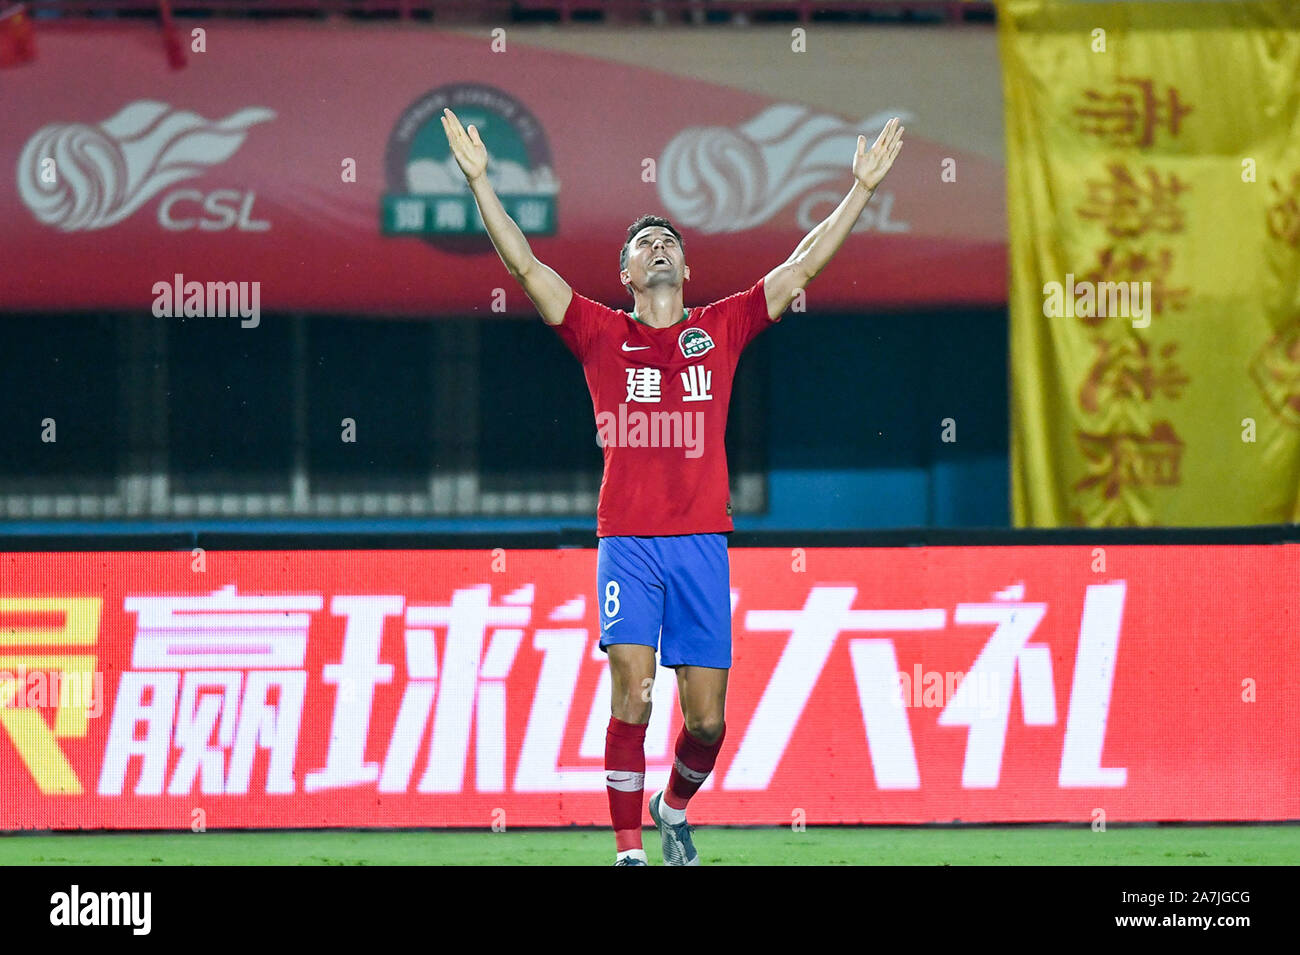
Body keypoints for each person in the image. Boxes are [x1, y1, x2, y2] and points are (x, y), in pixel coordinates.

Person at [441, 107, 903, 865]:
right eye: (642, 246)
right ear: (624, 273)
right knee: (634, 693)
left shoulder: (722, 327)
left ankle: (672, 806)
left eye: (669, 244)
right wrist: (482, 182)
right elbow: (524, 265)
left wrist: (859, 191)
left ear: (685, 271)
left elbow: (803, 265)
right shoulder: (596, 330)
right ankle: (628, 851)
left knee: (709, 721)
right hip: (627, 541)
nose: (657, 249)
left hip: (700, 544)